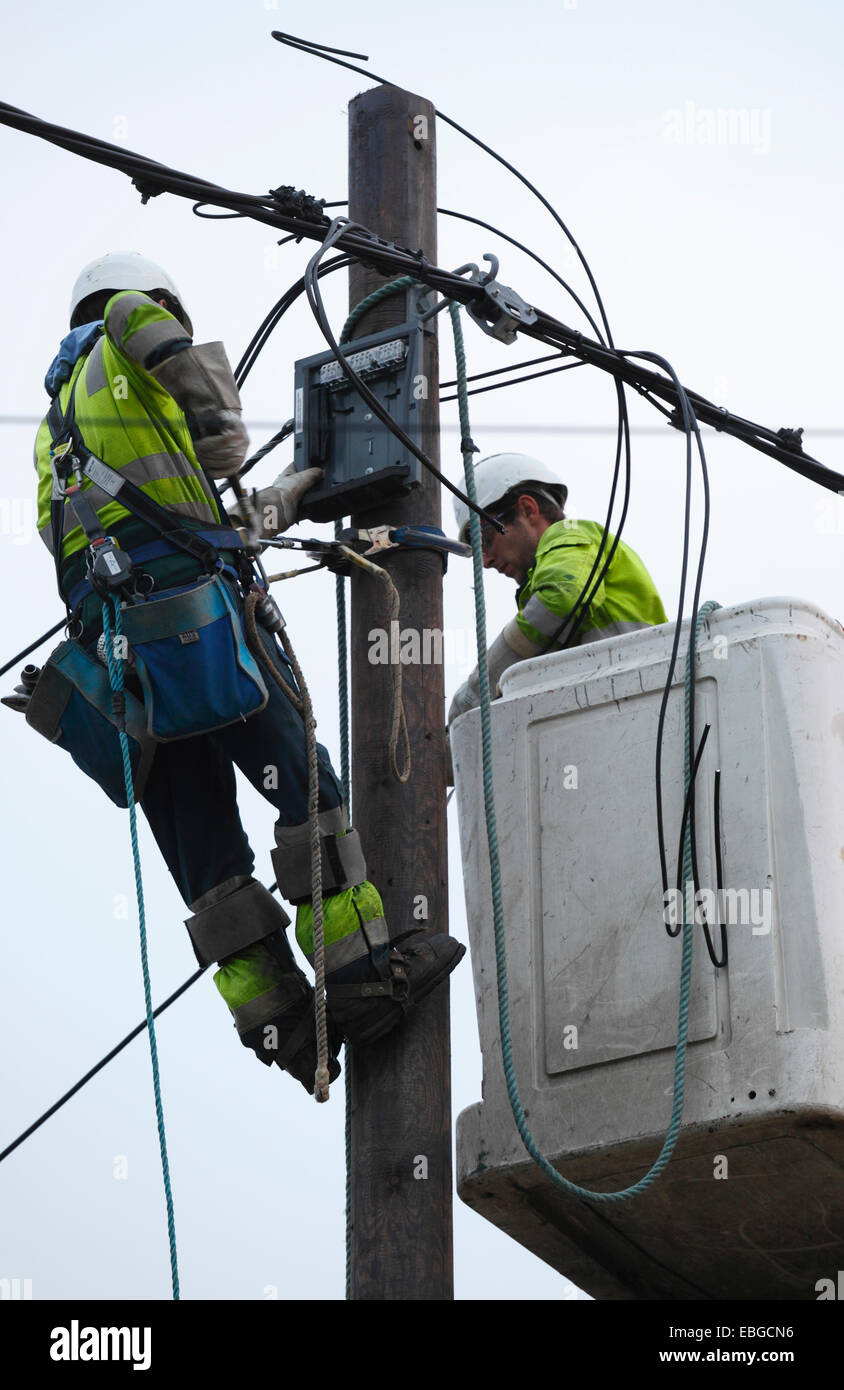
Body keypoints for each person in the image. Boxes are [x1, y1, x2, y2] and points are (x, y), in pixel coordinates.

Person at [34, 251, 464, 1094]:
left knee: (207, 858)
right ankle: (366, 977)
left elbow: (170, 523)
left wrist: (286, 497)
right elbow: (151, 333)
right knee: (307, 792)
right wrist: (216, 414)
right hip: (200, 641)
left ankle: (284, 1027)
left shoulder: (57, 434)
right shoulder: (126, 324)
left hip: (130, 680)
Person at [448, 453, 667, 722]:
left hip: (636, 705)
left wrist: (476, 690)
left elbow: (562, 599)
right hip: (626, 714)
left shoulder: (570, 533)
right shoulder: (544, 579)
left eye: (486, 538)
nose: (485, 560)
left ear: (528, 510)